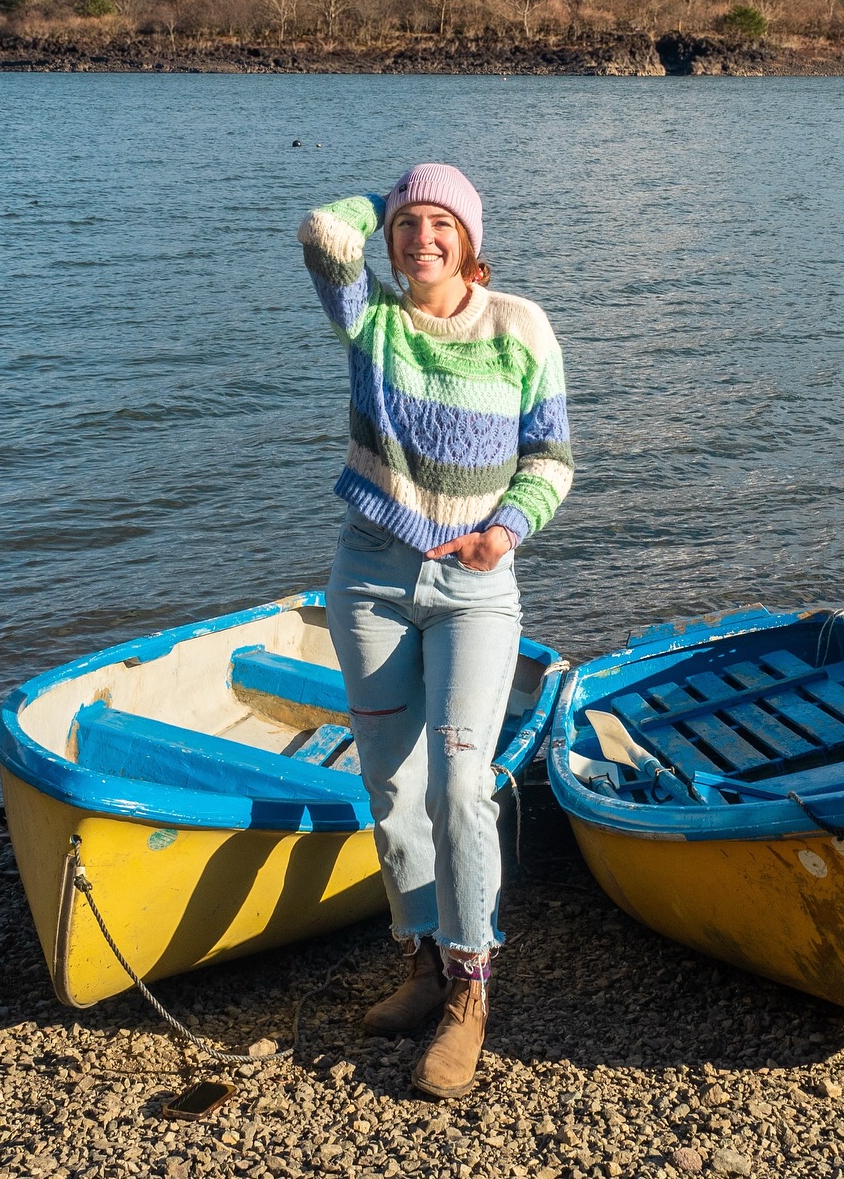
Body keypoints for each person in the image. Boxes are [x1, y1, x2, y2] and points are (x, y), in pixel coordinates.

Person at [296, 163, 573, 1098]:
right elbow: (322, 236)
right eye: (408, 224)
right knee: (389, 787)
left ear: (471, 237)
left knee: (461, 782)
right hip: (369, 578)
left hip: (475, 588)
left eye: (442, 224)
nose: (422, 239)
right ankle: (418, 962)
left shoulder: (518, 326)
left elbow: (552, 456)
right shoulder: (370, 320)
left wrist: (507, 531)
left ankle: (469, 987)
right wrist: (388, 195)